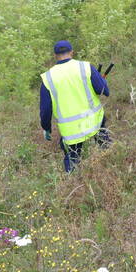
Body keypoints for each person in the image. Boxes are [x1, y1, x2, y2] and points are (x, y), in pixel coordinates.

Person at [39, 40, 111, 173]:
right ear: (72, 52)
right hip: (95, 121)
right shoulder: (86, 67)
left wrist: (46, 128)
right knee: (107, 150)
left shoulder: (48, 78)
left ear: (55, 55)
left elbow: (45, 110)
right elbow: (104, 91)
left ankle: (72, 185)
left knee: (72, 161)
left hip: (70, 131)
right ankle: (112, 170)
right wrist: (102, 82)